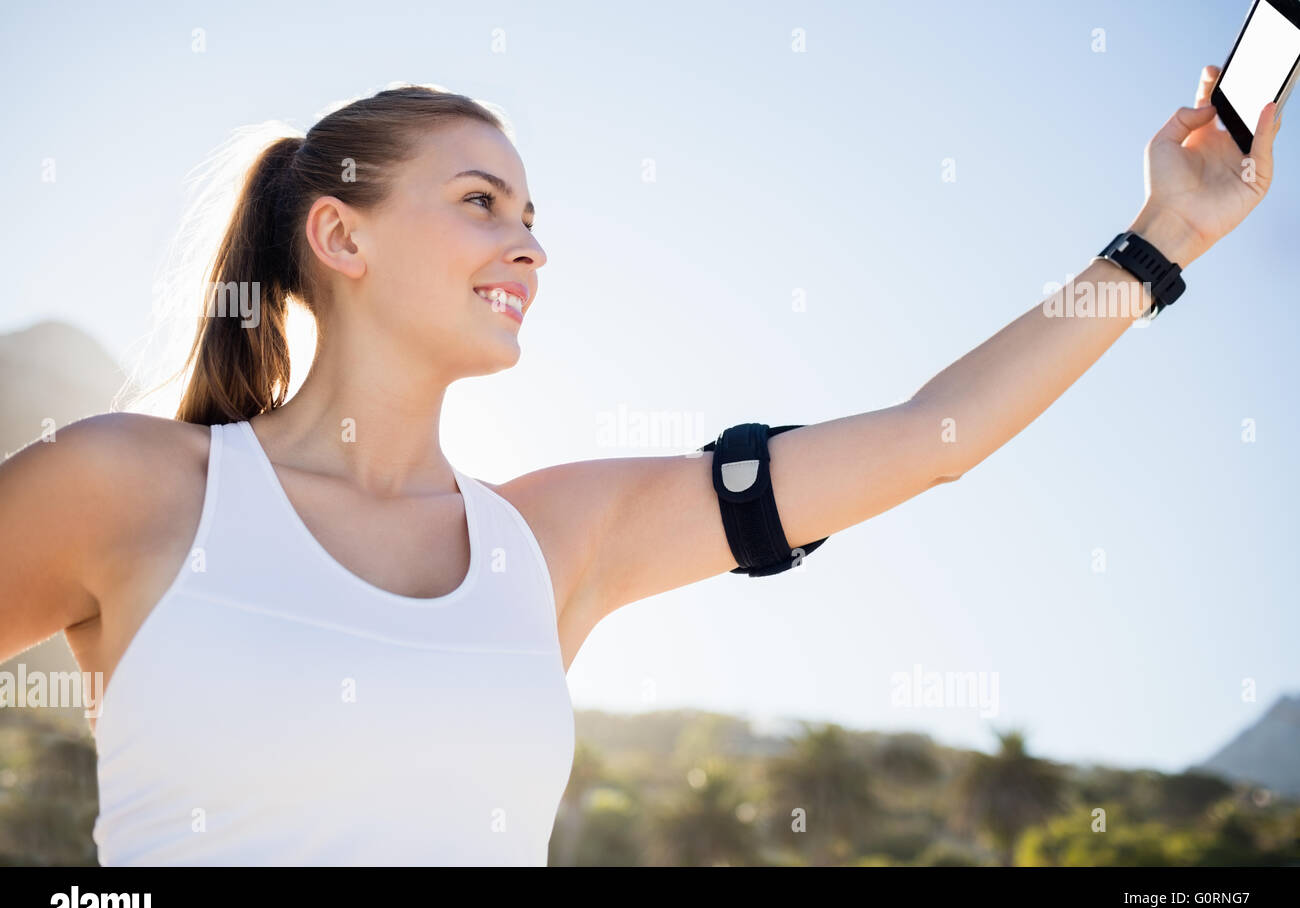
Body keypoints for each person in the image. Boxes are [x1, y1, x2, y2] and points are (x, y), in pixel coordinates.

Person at [0, 68, 1281, 865]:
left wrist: (1162, 234)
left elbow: (926, 439)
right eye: (480, 202)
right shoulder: (132, 485)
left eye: (532, 218)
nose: (529, 246)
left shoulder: (553, 540)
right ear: (341, 234)